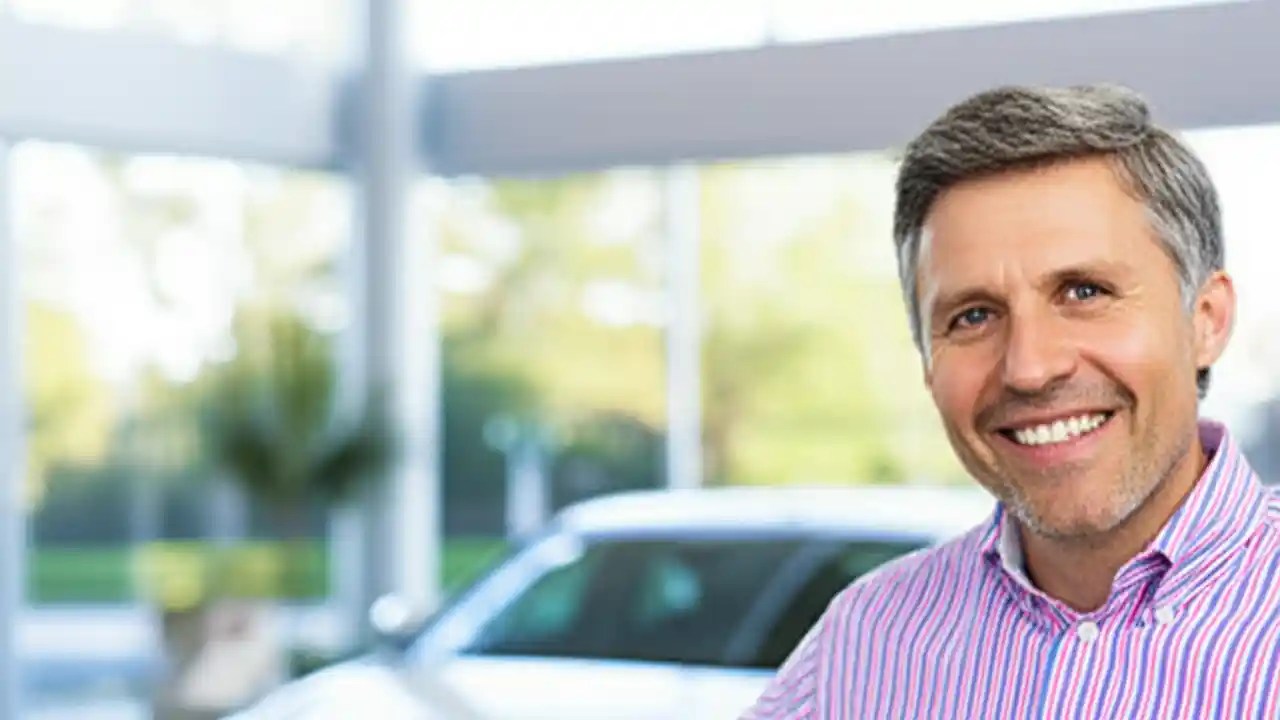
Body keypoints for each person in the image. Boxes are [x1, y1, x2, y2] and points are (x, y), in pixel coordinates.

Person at [743, 84, 1280, 719]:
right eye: (973, 316)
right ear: (926, 362)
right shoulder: (858, 648)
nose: (1029, 367)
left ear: (1207, 320)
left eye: (1084, 291)